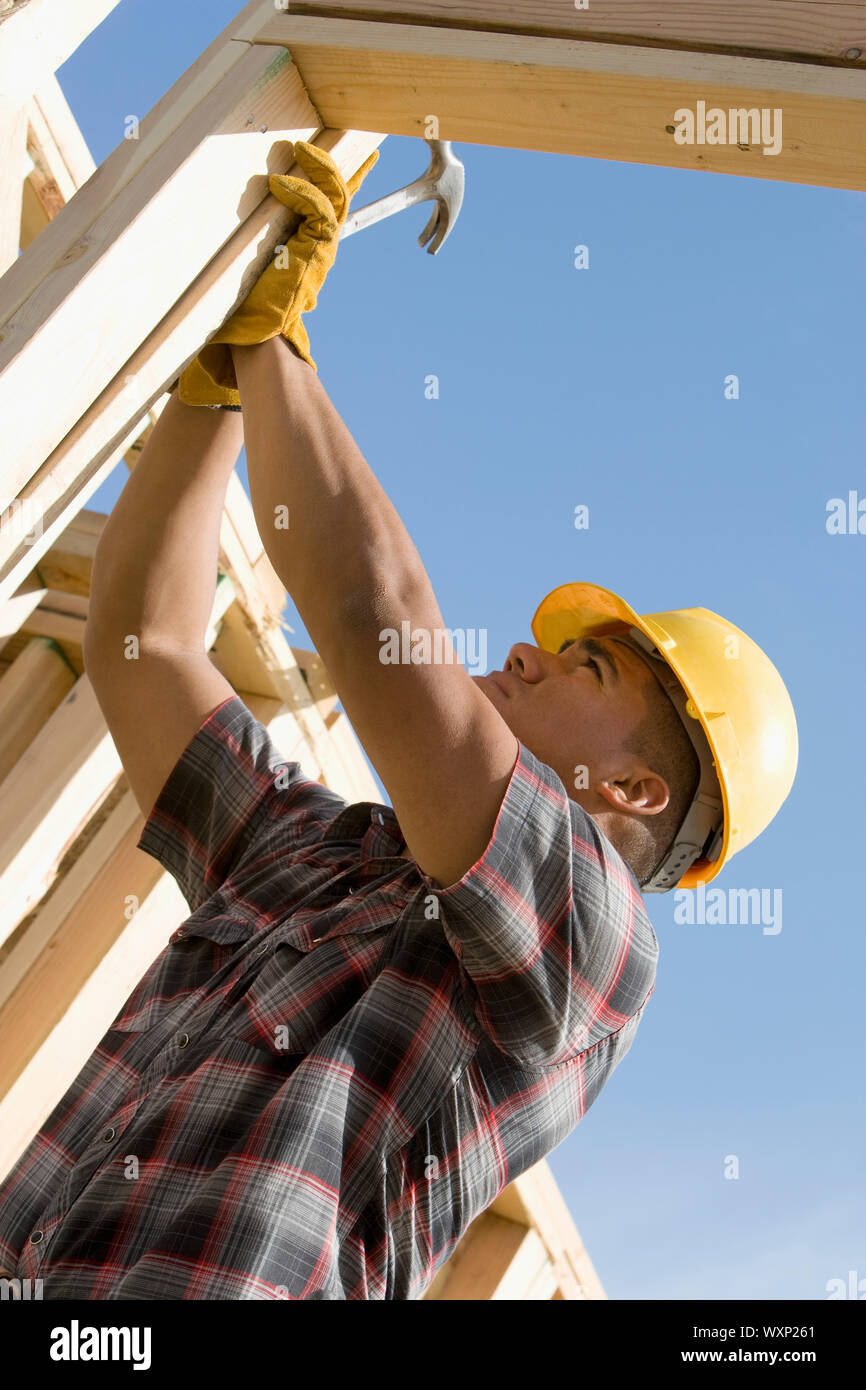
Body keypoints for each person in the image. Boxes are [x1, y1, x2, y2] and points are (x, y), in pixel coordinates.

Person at [0, 144, 797, 1300]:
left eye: (585, 666)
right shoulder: (319, 854)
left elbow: (380, 621)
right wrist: (218, 384)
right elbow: (144, 641)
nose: (521, 648)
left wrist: (277, 333)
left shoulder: (594, 952)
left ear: (631, 792)